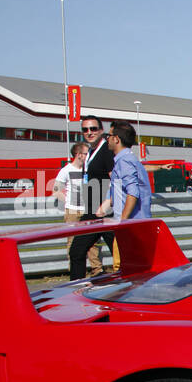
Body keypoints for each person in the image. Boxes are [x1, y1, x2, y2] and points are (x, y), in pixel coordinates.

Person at [69, 115, 116, 280]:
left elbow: (116, 180)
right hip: (91, 212)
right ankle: (75, 290)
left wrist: (107, 204)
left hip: (106, 214)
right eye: (85, 129)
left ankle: (138, 288)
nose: (89, 132)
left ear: (101, 131)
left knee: (122, 256)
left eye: (93, 129)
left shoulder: (106, 152)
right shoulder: (89, 152)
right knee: (76, 251)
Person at [96, 121, 152, 223]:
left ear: (116, 139)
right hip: (133, 223)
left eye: (109, 136)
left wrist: (122, 221)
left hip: (132, 225)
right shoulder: (128, 160)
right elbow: (120, 191)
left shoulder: (124, 161)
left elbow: (132, 193)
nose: (107, 139)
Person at [53, 141, 93, 268]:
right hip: (73, 211)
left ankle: (97, 270)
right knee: (72, 240)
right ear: (79, 154)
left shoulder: (89, 169)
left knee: (93, 241)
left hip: (88, 209)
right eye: (86, 153)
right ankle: (74, 269)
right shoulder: (66, 170)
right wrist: (69, 203)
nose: (89, 156)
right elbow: (56, 190)